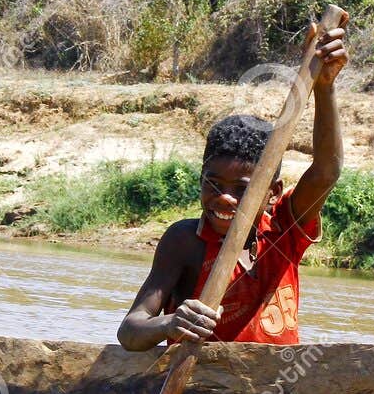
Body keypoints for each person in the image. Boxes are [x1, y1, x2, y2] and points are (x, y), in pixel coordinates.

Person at [117, 18, 347, 349]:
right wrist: (170, 323)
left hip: (274, 393)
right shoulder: (186, 241)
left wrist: (325, 86)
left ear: (273, 194)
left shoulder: (285, 227)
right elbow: (130, 331)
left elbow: (326, 171)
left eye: (242, 189)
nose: (224, 199)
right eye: (213, 184)